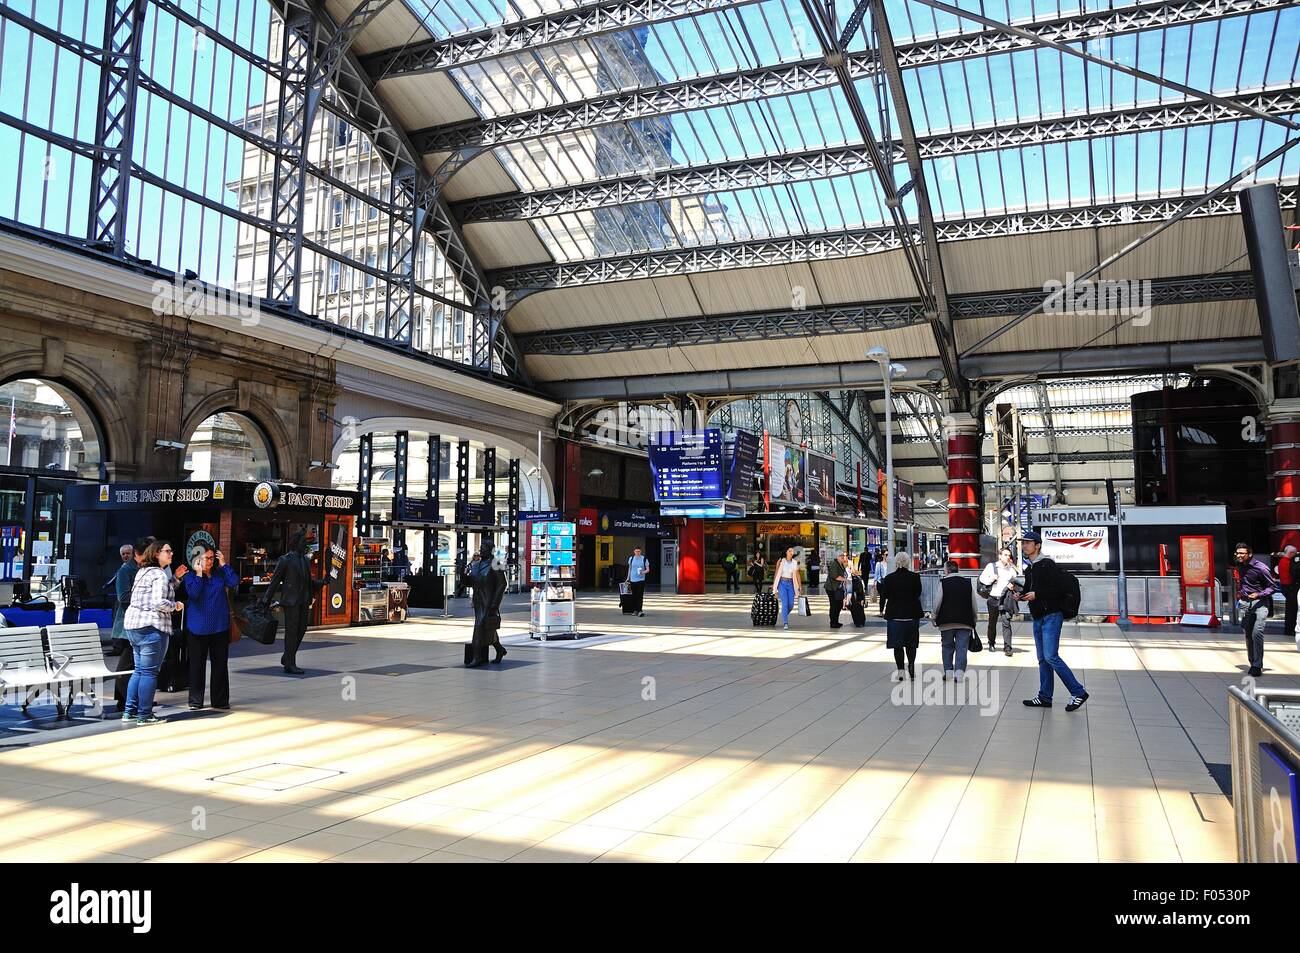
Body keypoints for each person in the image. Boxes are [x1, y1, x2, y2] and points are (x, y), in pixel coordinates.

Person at [1019, 531, 1088, 711]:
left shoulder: (1047, 564)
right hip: (1038, 617)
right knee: (1043, 659)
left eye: (1028, 542)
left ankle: (1078, 692)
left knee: (1051, 656)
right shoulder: (1030, 568)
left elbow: (1057, 590)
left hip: (1051, 615)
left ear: (1038, 545)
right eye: (1023, 543)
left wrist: (1037, 594)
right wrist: (1021, 595)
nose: (1024, 545)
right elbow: (1030, 590)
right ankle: (1044, 697)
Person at [121, 540, 186, 725]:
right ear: (157, 553)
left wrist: (175, 579)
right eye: (167, 551)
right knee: (149, 673)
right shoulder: (158, 574)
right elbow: (158, 602)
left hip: (134, 626)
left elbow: (155, 594)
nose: (171, 553)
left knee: (139, 671)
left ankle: (129, 712)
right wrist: (176, 606)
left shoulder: (144, 571)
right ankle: (145, 715)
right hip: (151, 627)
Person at [181, 545, 238, 710]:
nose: (210, 561)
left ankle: (220, 700)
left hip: (220, 627)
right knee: (197, 666)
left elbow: (234, 582)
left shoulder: (220, 573)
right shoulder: (190, 576)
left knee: (220, 665)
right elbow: (194, 594)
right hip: (197, 628)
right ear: (197, 559)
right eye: (207, 558)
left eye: (212, 558)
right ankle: (195, 700)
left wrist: (224, 564)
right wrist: (199, 573)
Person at [262, 530, 327, 675]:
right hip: (291, 601)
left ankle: (287, 656)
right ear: (296, 543)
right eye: (303, 542)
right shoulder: (285, 560)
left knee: (301, 629)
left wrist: (321, 582)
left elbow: (308, 582)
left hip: (304, 600)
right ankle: (290, 663)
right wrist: (265, 601)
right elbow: (274, 582)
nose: (305, 545)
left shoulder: (304, 560)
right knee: (291, 632)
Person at [932, 560, 980, 680]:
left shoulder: (943, 583)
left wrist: (934, 616)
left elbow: (937, 601)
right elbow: (973, 603)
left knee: (947, 647)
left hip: (946, 622)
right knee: (962, 648)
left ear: (947, 570)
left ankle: (948, 672)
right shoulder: (967, 583)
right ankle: (959, 674)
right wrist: (974, 618)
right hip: (965, 622)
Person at [1235, 541, 1277, 678]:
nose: (1239, 555)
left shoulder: (1261, 568)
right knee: (1248, 634)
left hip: (1260, 603)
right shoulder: (1240, 566)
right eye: (1238, 553)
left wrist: (1259, 594)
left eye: (1242, 553)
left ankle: (1257, 665)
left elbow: (1272, 587)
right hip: (1246, 603)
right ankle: (1253, 662)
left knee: (1257, 633)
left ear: (1250, 554)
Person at [462, 540, 507, 667]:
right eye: (480, 548)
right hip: (478, 600)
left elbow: (502, 584)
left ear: (490, 550)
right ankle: (499, 649)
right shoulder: (476, 565)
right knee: (487, 626)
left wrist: (495, 604)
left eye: (483, 548)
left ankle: (477, 657)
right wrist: (463, 574)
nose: (480, 550)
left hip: (489, 601)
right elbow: (470, 582)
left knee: (479, 626)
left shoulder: (496, 563)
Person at [880, 551, 922, 680]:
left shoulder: (889, 578)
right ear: (908, 562)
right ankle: (911, 666)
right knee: (911, 644)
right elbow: (918, 594)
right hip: (911, 615)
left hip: (895, 616)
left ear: (896, 563)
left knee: (897, 645)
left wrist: (883, 607)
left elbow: (884, 595)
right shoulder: (915, 577)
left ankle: (900, 671)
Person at [979, 547, 1018, 654]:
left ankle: (1008, 647)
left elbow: (1016, 582)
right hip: (993, 598)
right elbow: (982, 579)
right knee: (992, 622)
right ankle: (991, 643)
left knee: (1006, 623)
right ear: (1000, 556)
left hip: (1005, 599)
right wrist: (992, 578)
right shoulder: (991, 566)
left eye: (1009, 555)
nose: (1007, 557)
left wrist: (1013, 586)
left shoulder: (1011, 569)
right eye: (1005, 555)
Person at [771, 547, 803, 629]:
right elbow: (777, 573)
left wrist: (800, 586)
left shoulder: (795, 563)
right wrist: (774, 584)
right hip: (782, 583)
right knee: (785, 603)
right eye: (789, 551)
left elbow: (797, 575)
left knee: (791, 604)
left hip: (791, 584)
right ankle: (785, 623)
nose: (791, 552)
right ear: (786, 552)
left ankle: (784, 614)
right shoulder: (782, 561)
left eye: (792, 551)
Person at [1274, 544, 1299, 646]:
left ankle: (1289, 628)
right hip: (1290, 587)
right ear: (1291, 553)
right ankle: (1290, 628)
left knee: (1290, 608)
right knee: (1292, 609)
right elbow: (1294, 573)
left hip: (1286, 587)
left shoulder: (1282, 561)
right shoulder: (1289, 562)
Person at [824, 551, 850, 629]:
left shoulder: (841, 564)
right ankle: (833, 622)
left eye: (843, 555)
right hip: (831, 588)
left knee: (838, 605)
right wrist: (845, 580)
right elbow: (835, 576)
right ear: (837, 557)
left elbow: (843, 573)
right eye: (841, 556)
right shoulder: (834, 564)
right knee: (834, 605)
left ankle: (836, 621)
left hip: (838, 588)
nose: (843, 557)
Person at [625, 546, 650, 617]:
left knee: (640, 596)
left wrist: (643, 572)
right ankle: (635, 610)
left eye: (639, 551)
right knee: (633, 596)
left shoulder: (644, 559)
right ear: (634, 552)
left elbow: (648, 569)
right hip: (633, 580)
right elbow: (630, 568)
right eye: (636, 551)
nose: (637, 553)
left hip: (641, 580)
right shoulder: (631, 559)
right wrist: (627, 578)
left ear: (640, 552)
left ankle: (640, 610)